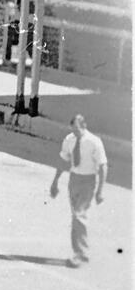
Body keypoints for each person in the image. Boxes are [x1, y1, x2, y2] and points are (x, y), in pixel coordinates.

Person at [50, 113, 107, 267]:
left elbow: (102, 166)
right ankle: (81, 251)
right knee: (76, 217)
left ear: (84, 126)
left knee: (79, 216)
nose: (75, 132)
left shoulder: (94, 142)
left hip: (88, 181)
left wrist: (100, 190)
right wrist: (55, 182)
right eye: (72, 129)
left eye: (77, 129)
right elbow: (63, 160)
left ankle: (80, 254)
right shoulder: (69, 140)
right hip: (74, 179)